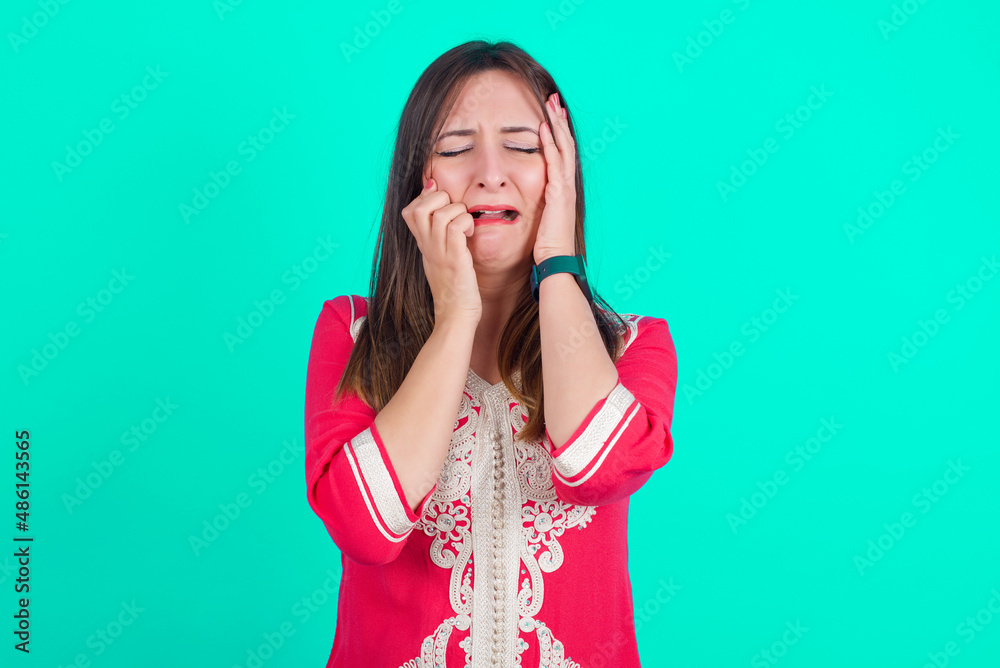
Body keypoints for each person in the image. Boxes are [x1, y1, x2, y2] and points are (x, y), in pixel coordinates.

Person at [303, 40, 678, 668]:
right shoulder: (353, 333)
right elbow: (367, 529)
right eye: (454, 148)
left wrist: (557, 261)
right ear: (415, 178)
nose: (490, 172)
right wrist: (456, 316)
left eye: (524, 146)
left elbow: (597, 467)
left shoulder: (635, 345)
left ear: (563, 174)